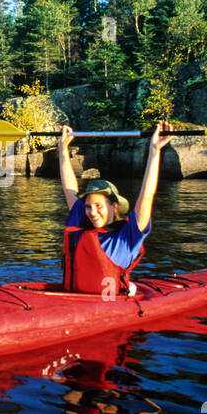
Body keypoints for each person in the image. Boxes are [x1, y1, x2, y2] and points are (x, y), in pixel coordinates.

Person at [57, 122, 174, 294]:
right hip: (73, 300)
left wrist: (155, 150)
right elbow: (69, 189)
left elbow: (146, 196)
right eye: (88, 206)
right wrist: (62, 150)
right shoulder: (84, 221)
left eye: (99, 206)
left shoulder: (128, 236)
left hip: (109, 304)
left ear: (114, 206)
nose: (92, 212)